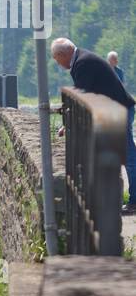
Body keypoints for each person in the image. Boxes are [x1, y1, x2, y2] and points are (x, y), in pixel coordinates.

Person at [51, 37, 136, 214]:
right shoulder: (82, 59)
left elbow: (82, 98)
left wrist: (68, 124)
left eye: (56, 59)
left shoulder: (82, 64)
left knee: (128, 158)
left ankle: (133, 201)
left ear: (62, 54)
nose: (57, 64)